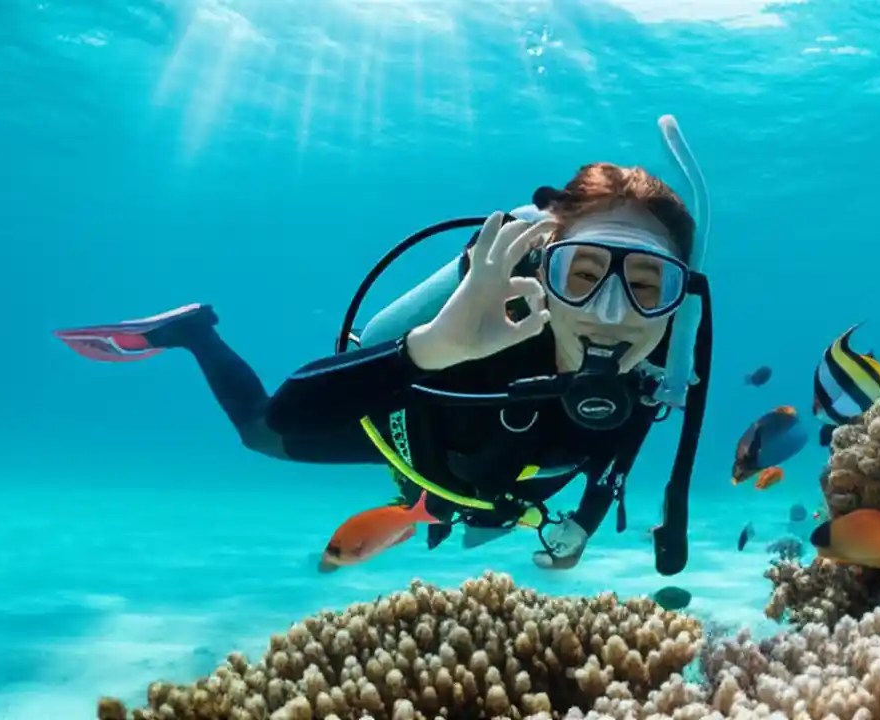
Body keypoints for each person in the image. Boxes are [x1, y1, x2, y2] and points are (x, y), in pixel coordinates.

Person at [54, 117, 714, 575]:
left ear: (678, 304)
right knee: (258, 435)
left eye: (648, 286)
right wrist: (427, 348)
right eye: (583, 275)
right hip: (409, 434)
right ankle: (198, 331)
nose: (609, 313)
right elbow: (290, 415)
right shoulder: (492, 324)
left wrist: (588, 522)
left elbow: (624, 440)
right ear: (544, 270)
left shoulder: (663, 355)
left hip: (483, 479)